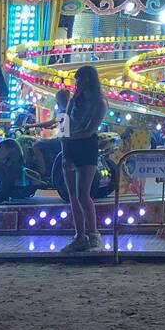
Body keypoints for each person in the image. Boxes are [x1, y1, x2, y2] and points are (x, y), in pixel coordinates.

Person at [61, 66, 106, 253]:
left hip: (87, 147)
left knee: (82, 194)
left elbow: (90, 129)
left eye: (80, 79)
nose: (77, 82)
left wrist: (69, 137)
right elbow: (64, 123)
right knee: (72, 195)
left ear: (88, 79)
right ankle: (80, 235)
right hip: (71, 146)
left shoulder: (99, 103)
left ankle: (93, 234)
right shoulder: (74, 101)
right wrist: (65, 152)